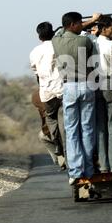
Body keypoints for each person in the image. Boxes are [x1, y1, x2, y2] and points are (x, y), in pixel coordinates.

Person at [51, 12, 101, 185]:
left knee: (72, 130)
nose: (82, 26)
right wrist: (94, 21)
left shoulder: (56, 41)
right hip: (86, 85)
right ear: (72, 24)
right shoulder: (84, 41)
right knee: (87, 129)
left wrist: (88, 22)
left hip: (69, 87)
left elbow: (58, 31)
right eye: (80, 23)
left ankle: (75, 171)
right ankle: (88, 169)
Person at [29, 22, 65, 160]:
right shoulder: (59, 46)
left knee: (51, 118)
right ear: (53, 33)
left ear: (39, 37)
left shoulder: (34, 52)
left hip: (46, 91)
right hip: (62, 88)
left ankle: (56, 144)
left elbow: (36, 72)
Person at [94, 15, 112, 173]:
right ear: (104, 29)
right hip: (111, 84)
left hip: (96, 85)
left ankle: (103, 165)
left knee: (101, 127)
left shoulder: (93, 43)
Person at [31, 89, 66, 170]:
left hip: (58, 133)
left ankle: (61, 159)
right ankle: (61, 159)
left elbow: (47, 127)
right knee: (43, 135)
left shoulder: (47, 106)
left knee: (44, 135)